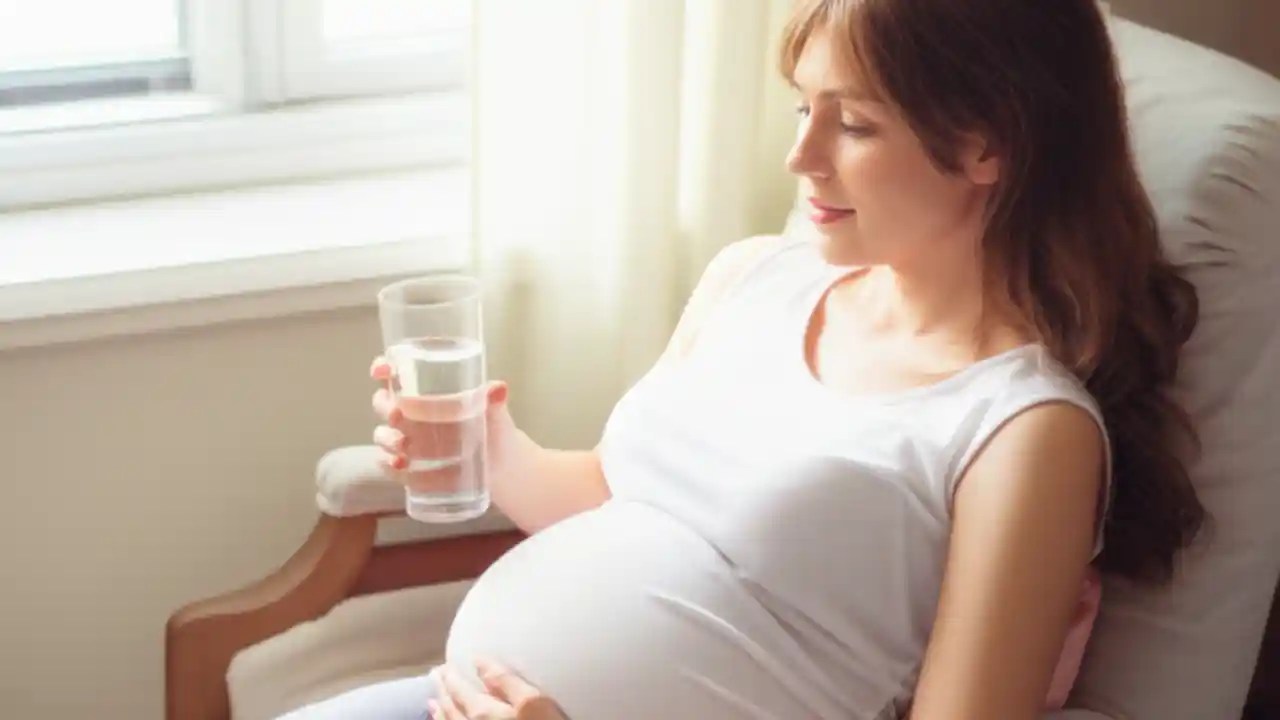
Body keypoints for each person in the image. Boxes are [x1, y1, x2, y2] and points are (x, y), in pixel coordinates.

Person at [283, 0, 1205, 718]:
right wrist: (489, 448)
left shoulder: (1020, 432)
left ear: (986, 145)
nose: (800, 155)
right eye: (804, 107)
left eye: (854, 125)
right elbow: (620, 492)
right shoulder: (755, 277)